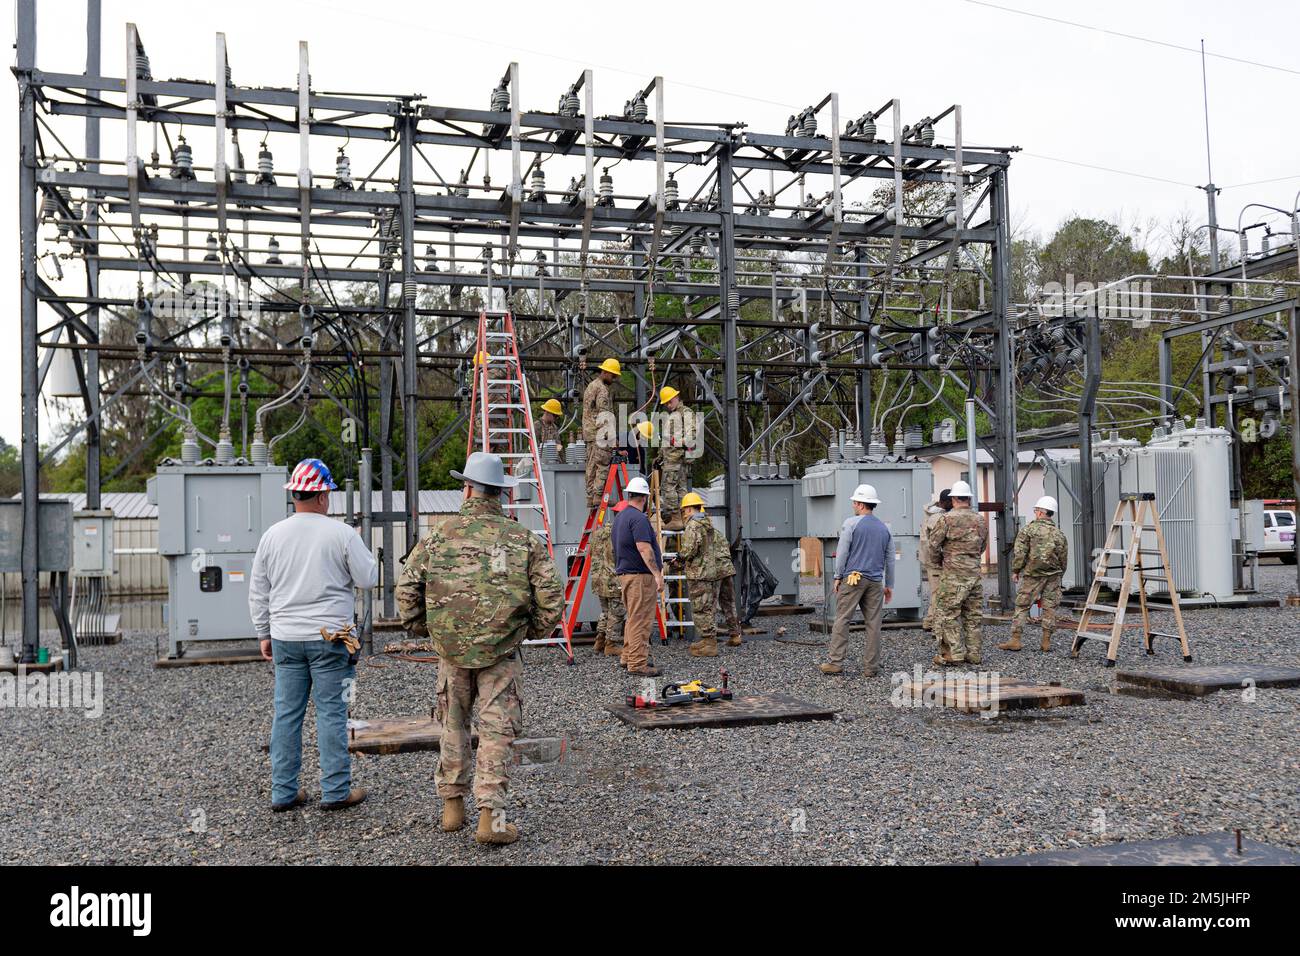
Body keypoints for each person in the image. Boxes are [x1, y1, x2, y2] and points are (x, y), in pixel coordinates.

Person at [394, 452, 563, 845]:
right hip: (500, 653)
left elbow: (406, 591)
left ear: (467, 488)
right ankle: (491, 819)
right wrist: (526, 630)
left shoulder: (438, 535)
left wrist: (428, 629)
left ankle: (452, 808)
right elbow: (552, 596)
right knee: (496, 732)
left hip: (450, 653)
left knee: (452, 725)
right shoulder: (521, 539)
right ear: (500, 494)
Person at [250, 458, 378, 813]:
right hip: (331, 639)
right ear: (323, 496)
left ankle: (284, 792)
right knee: (331, 713)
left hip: (285, 638)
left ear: (295, 496)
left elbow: (259, 590)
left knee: (286, 714)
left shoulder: (272, 536)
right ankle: (336, 791)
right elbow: (367, 578)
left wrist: (264, 632)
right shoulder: (341, 533)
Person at [820, 484, 893, 678]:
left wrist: (837, 576)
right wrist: (889, 585)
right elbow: (890, 558)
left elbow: (842, 552)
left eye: (854, 502)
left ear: (861, 504)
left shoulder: (851, 523)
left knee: (843, 619)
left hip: (853, 579)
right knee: (873, 624)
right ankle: (871, 668)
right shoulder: (884, 528)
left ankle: (835, 662)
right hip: (876, 581)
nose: (853, 504)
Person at [924, 479, 988, 667]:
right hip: (974, 575)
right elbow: (982, 546)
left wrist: (939, 562)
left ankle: (953, 653)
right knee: (973, 615)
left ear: (953, 500)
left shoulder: (946, 519)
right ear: (968, 499)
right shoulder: (980, 520)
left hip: (953, 575)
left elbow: (933, 545)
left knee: (946, 614)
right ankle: (974, 654)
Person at [1000, 495, 1069, 653]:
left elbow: (1020, 553)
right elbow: (1063, 558)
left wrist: (1016, 570)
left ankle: (1015, 639)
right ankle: (1046, 641)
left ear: (1040, 512)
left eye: (1035, 510)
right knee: (1049, 608)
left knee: (1022, 605)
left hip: (1032, 575)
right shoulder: (1059, 534)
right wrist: (1060, 575)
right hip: (1053, 575)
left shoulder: (1028, 530)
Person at [611, 475, 664, 676]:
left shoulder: (620, 518)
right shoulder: (639, 518)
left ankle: (628, 657)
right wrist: (657, 574)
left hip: (627, 575)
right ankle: (637, 663)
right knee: (641, 619)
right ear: (644, 498)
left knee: (633, 618)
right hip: (640, 577)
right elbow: (644, 548)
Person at [676, 492, 724, 658]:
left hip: (699, 573)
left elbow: (690, 549)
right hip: (710, 571)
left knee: (700, 609)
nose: (683, 514)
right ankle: (707, 640)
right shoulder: (707, 524)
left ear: (689, 509)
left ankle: (709, 643)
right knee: (708, 607)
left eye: (684, 510)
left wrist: (679, 558)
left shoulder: (693, 525)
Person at [589, 500, 627, 659]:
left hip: (598, 579)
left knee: (605, 611)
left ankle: (600, 641)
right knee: (617, 612)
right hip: (613, 580)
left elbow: (590, 552)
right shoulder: (621, 532)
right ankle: (611, 644)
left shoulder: (599, 532)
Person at [655, 385, 696, 528]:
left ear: (675, 398)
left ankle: (676, 518)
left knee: (669, 488)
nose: (667, 405)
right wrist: (660, 456)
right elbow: (666, 440)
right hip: (670, 458)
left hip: (676, 459)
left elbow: (691, 437)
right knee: (679, 489)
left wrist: (676, 442)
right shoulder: (673, 416)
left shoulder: (686, 413)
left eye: (669, 402)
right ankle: (683, 518)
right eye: (665, 403)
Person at [582, 359, 621, 510]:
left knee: (591, 466)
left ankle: (590, 497)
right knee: (603, 463)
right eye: (613, 376)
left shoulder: (591, 387)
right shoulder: (602, 390)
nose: (614, 379)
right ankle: (598, 495)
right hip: (600, 434)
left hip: (590, 433)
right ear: (605, 372)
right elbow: (605, 415)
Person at [919, 489, 953, 632]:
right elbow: (935, 543)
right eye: (951, 502)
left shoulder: (933, 512)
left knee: (937, 592)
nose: (953, 504)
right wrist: (938, 560)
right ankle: (933, 624)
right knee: (938, 593)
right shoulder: (937, 517)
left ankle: (930, 621)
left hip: (931, 558)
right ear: (944, 502)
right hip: (935, 560)